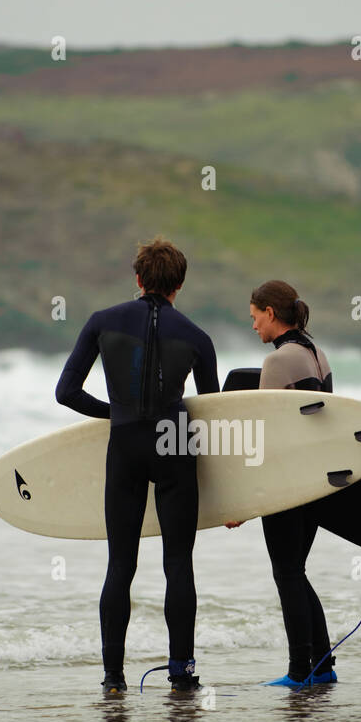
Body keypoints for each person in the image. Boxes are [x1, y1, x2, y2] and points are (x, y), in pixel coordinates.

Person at [55, 238, 219, 695]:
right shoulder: (197, 337)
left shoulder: (101, 322)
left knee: (120, 564)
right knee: (178, 563)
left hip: (125, 447)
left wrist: (117, 415)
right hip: (175, 445)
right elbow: (213, 410)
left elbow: (65, 392)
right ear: (179, 284)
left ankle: (113, 677)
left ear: (138, 278)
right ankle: (181, 671)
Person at [227, 280, 336, 688]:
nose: (253, 325)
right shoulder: (317, 355)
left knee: (286, 573)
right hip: (317, 482)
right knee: (296, 570)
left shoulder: (278, 363)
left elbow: (264, 439)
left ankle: (299, 671)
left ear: (271, 314)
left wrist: (243, 502)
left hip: (287, 483)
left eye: (255, 318)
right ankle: (322, 666)